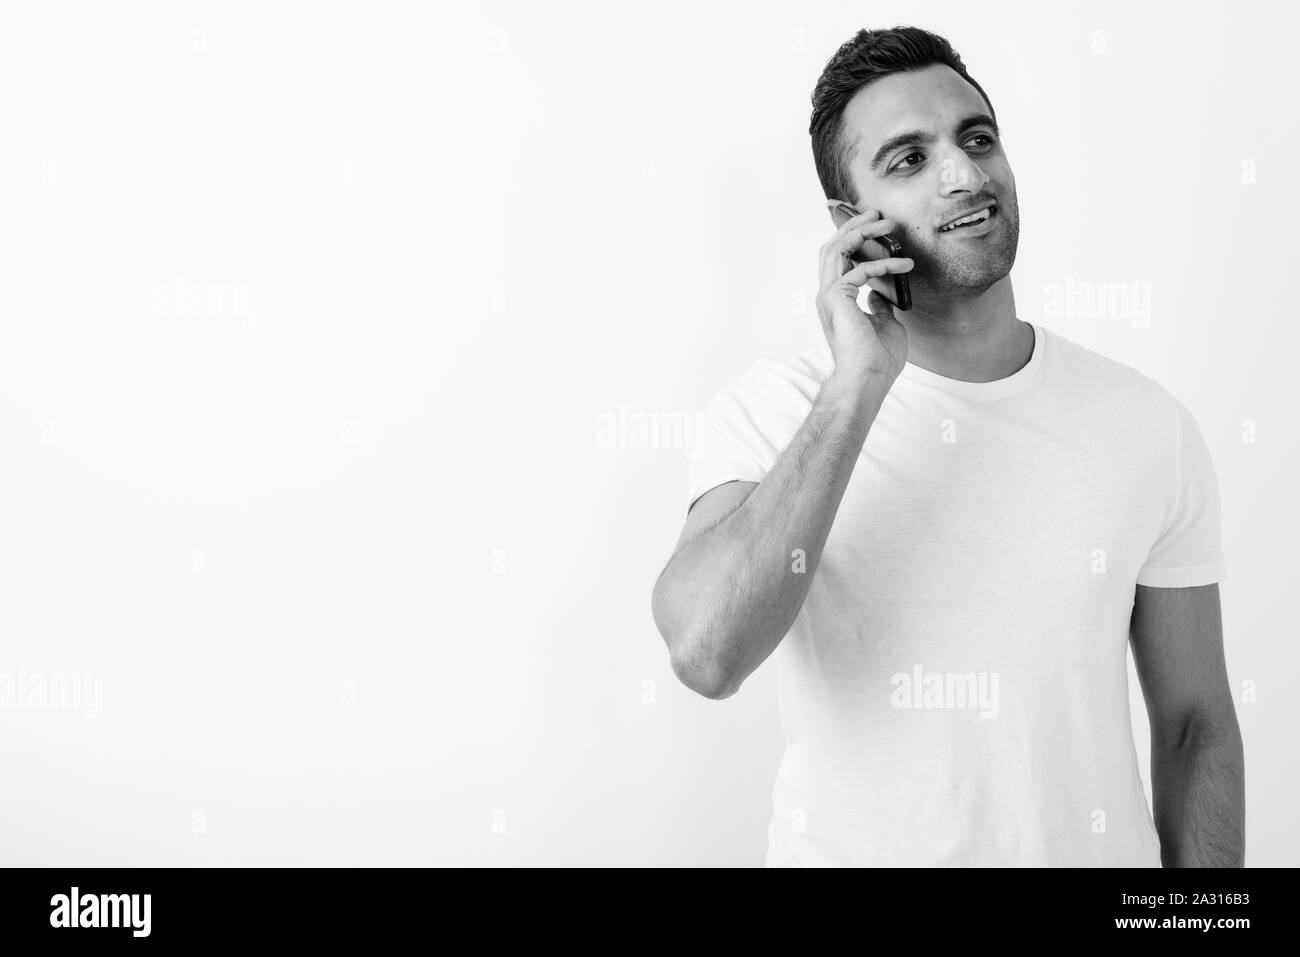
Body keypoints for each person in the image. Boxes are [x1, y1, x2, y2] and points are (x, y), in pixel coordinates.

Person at [650, 25, 1244, 867]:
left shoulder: (1147, 423)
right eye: (909, 159)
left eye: (977, 139)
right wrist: (857, 386)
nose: (964, 173)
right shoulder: (775, 414)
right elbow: (706, 653)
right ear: (851, 223)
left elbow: (1195, 726)